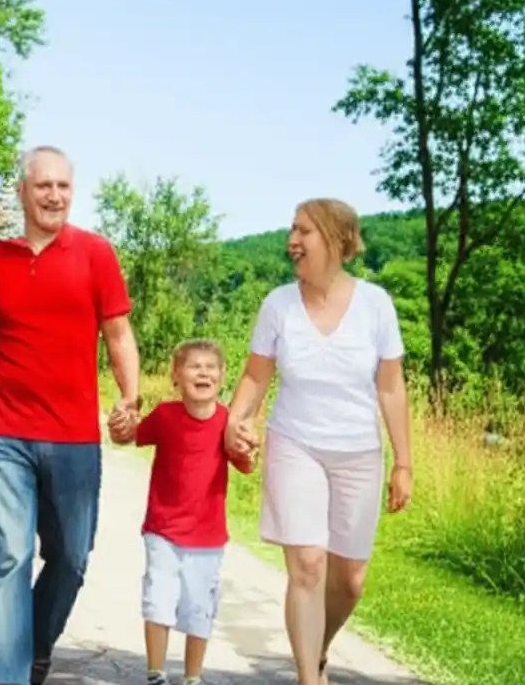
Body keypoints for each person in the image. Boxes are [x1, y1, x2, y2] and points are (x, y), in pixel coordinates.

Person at [0, 145, 141, 685]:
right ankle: (8, 677)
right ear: (23, 191)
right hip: (1, 432)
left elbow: (119, 334)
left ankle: (35, 646)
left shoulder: (95, 253)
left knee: (72, 557)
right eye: (43, 187)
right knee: (9, 559)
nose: (54, 196)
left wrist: (129, 399)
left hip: (74, 435)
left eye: (63, 187)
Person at [225, 198, 413, 685]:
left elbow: (391, 388)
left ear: (336, 240)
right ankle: (309, 677)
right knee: (307, 565)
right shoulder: (278, 305)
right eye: (292, 229)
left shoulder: (376, 305)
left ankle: (319, 648)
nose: (292, 240)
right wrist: (233, 420)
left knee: (349, 580)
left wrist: (403, 463)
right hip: (295, 444)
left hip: (359, 453)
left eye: (304, 231)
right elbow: (255, 375)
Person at [110, 339, 255, 685]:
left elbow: (245, 463)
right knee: (158, 598)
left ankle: (193, 677)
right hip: (162, 530)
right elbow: (129, 436)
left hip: (207, 537)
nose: (203, 372)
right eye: (194, 366)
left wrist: (250, 448)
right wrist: (120, 424)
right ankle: (156, 673)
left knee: (198, 608)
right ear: (176, 375)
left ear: (222, 376)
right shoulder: (165, 415)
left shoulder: (226, 422)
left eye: (211, 367)